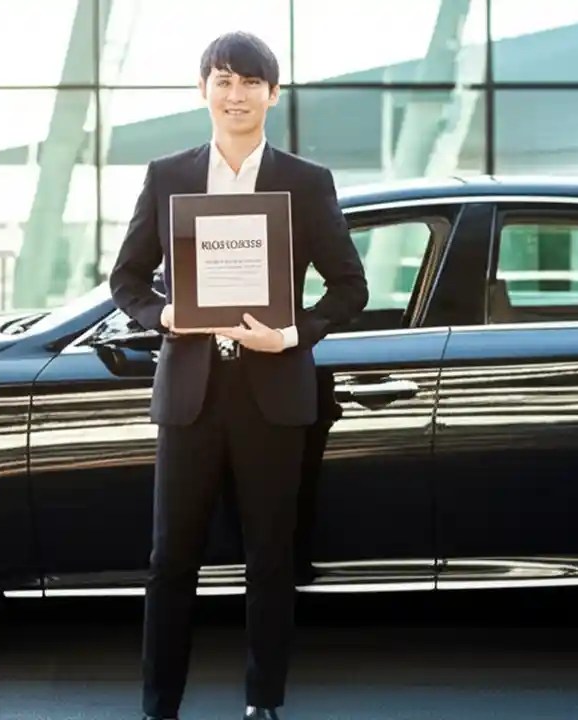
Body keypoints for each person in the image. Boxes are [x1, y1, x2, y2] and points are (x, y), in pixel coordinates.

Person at [108, 30, 368, 720]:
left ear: (273, 95)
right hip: (190, 395)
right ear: (203, 91)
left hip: (273, 393)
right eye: (223, 81)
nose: (236, 95)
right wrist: (166, 319)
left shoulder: (307, 182)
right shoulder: (168, 176)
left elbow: (349, 288)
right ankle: (159, 706)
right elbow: (126, 279)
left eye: (251, 82)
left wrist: (289, 334)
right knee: (170, 563)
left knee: (270, 561)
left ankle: (264, 703)